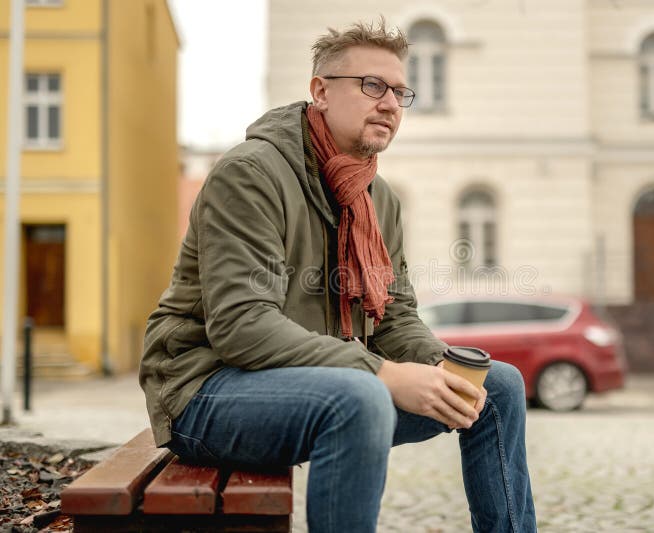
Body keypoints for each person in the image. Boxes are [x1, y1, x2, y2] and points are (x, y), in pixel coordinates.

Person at [139, 18, 537, 533]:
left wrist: (436, 364)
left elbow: (394, 318)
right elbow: (242, 327)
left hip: (315, 386)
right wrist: (384, 374)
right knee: (360, 397)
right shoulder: (251, 174)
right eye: (372, 86)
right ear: (320, 92)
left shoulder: (379, 200)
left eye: (400, 92)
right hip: (205, 389)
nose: (391, 104)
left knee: (496, 387)